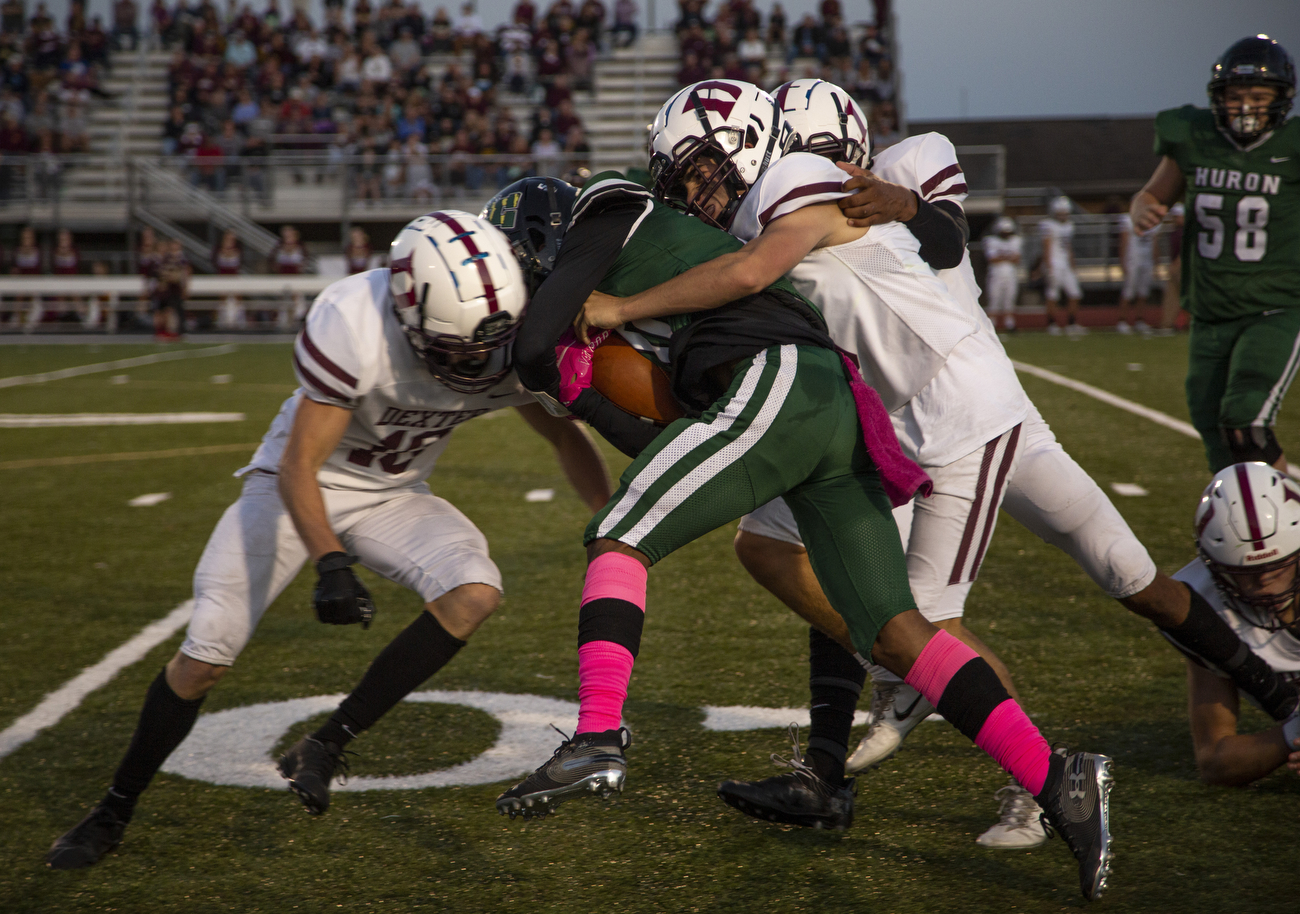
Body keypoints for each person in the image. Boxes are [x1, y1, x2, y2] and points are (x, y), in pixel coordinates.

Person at [579, 77, 1299, 867]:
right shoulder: (762, 214)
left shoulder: (860, 176)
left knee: (985, 608)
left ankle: (1060, 773)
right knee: (796, 553)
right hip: (899, 420)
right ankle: (829, 772)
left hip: (968, 410)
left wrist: (904, 205)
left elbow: (947, 240)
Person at [493, 82, 1115, 903]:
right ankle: (1059, 778)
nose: (684, 185)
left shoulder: (609, 206)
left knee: (619, 535)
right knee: (897, 634)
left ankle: (599, 736)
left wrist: (561, 376)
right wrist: (598, 393)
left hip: (795, 385)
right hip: (827, 405)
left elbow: (540, 344)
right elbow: (664, 440)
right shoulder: (700, 240)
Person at [44, 211, 612, 870]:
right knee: (206, 656)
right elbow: (297, 468)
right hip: (297, 491)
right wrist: (330, 563)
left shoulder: (500, 335)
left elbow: (564, 432)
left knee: (473, 591)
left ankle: (328, 743)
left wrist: (611, 523)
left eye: (489, 345)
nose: (477, 361)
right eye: (455, 347)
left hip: (394, 494)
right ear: (407, 313)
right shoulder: (355, 321)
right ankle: (113, 807)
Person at [1130, 35, 1299, 475]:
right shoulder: (1196, 137)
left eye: (1259, 96)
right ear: (1218, 97)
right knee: (1214, 430)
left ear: (1281, 99)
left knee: (1246, 422)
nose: (1246, 106)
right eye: (1237, 95)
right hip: (1209, 311)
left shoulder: (1293, 148)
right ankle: (1250, 535)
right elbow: (1152, 194)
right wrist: (1144, 207)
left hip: (1276, 306)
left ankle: (1289, 531)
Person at [1179, 462, 1300, 786]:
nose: (1267, 584)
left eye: (1279, 567)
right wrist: (1293, 734)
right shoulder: (1207, 611)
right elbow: (1215, 759)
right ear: (1215, 570)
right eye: (1247, 573)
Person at [1040, 195, 1083, 336]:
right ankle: (1052, 323)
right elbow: (1046, 246)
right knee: (1053, 294)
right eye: (1061, 212)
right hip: (1054, 263)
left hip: (1065, 264)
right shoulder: (1049, 225)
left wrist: (1072, 263)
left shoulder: (1070, 225)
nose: (1063, 215)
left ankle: (1071, 323)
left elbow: (1068, 247)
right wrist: (1048, 265)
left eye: (1065, 212)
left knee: (1075, 293)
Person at [1116, 211, 1154, 334]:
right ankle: (1122, 321)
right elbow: (1123, 241)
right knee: (1129, 291)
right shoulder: (1128, 220)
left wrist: (1156, 260)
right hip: (1133, 259)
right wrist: (1123, 262)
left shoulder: (1152, 220)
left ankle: (1139, 320)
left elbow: (1154, 241)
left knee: (1143, 291)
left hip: (1146, 259)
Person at [983, 215, 1020, 332]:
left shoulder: (1016, 240)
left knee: (1009, 299)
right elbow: (992, 259)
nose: (1006, 234)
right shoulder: (991, 241)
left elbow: (1017, 259)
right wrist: (1008, 257)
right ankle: (991, 325)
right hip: (995, 274)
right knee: (994, 299)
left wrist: (1002, 257)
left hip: (1011, 274)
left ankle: (1009, 324)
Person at [1156, 202, 1185, 335]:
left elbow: (1185, 250)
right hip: (1175, 265)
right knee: (1171, 296)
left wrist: (1176, 264)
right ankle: (1168, 323)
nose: (1175, 218)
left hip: (1182, 266)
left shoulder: (1184, 231)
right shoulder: (1174, 231)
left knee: (1183, 296)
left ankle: (1180, 322)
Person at [153, 238, 189, 341]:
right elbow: (159, 274)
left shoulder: (170, 259)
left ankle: (169, 331)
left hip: (169, 289)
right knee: (161, 311)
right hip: (161, 290)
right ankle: (160, 331)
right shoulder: (159, 260)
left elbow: (178, 274)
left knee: (169, 311)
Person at [213, 230, 245, 330]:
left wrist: (229, 252)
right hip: (222, 279)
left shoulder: (237, 250)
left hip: (234, 279)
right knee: (223, 302)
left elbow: (234, 257)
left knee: (237, 301)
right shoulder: (218, 249)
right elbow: (216, 259)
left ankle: (239, 323)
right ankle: (221, 324)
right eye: (228, 238)